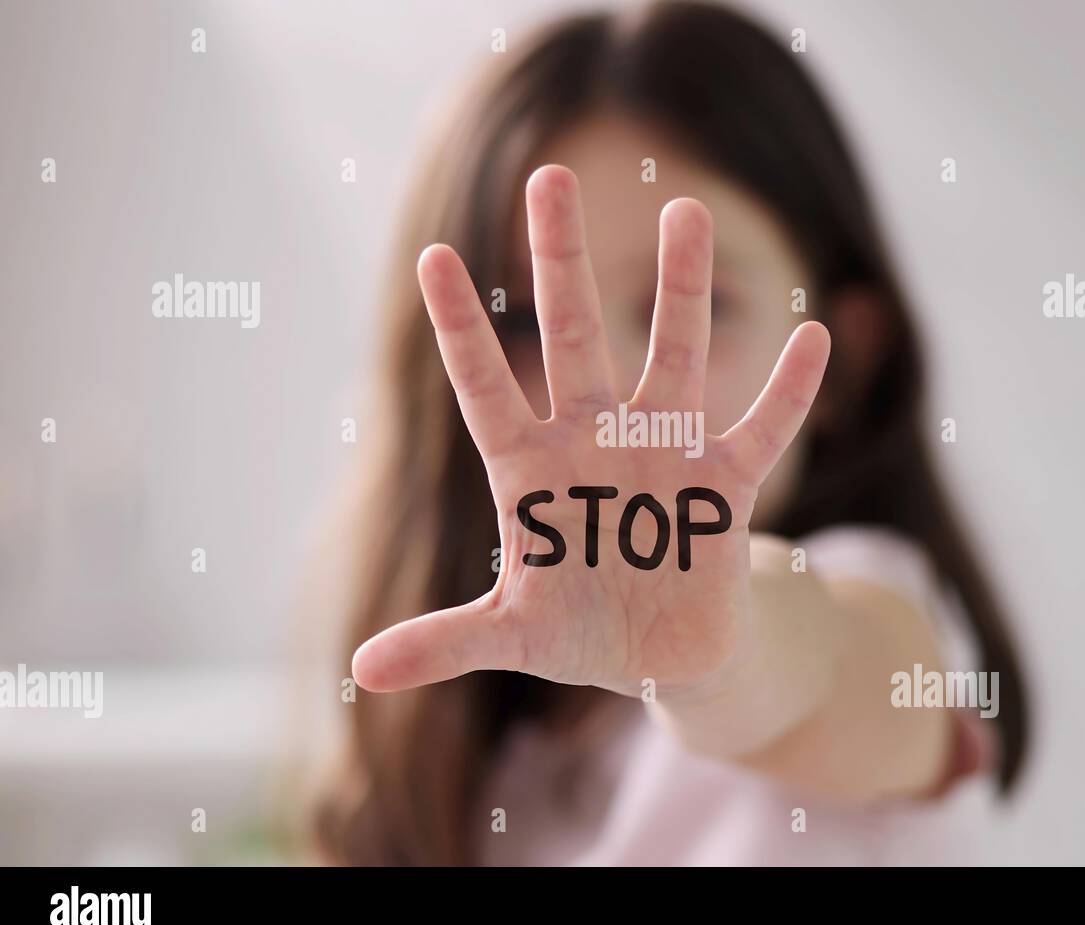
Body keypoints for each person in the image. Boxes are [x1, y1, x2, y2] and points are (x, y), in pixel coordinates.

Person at [311, 0, 1029, 866]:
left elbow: (833, 669)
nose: (608, 391)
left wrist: (724, 655)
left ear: (844, 362)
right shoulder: (490, 757)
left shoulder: (872, 607)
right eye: (528, 324)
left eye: (695, 308)